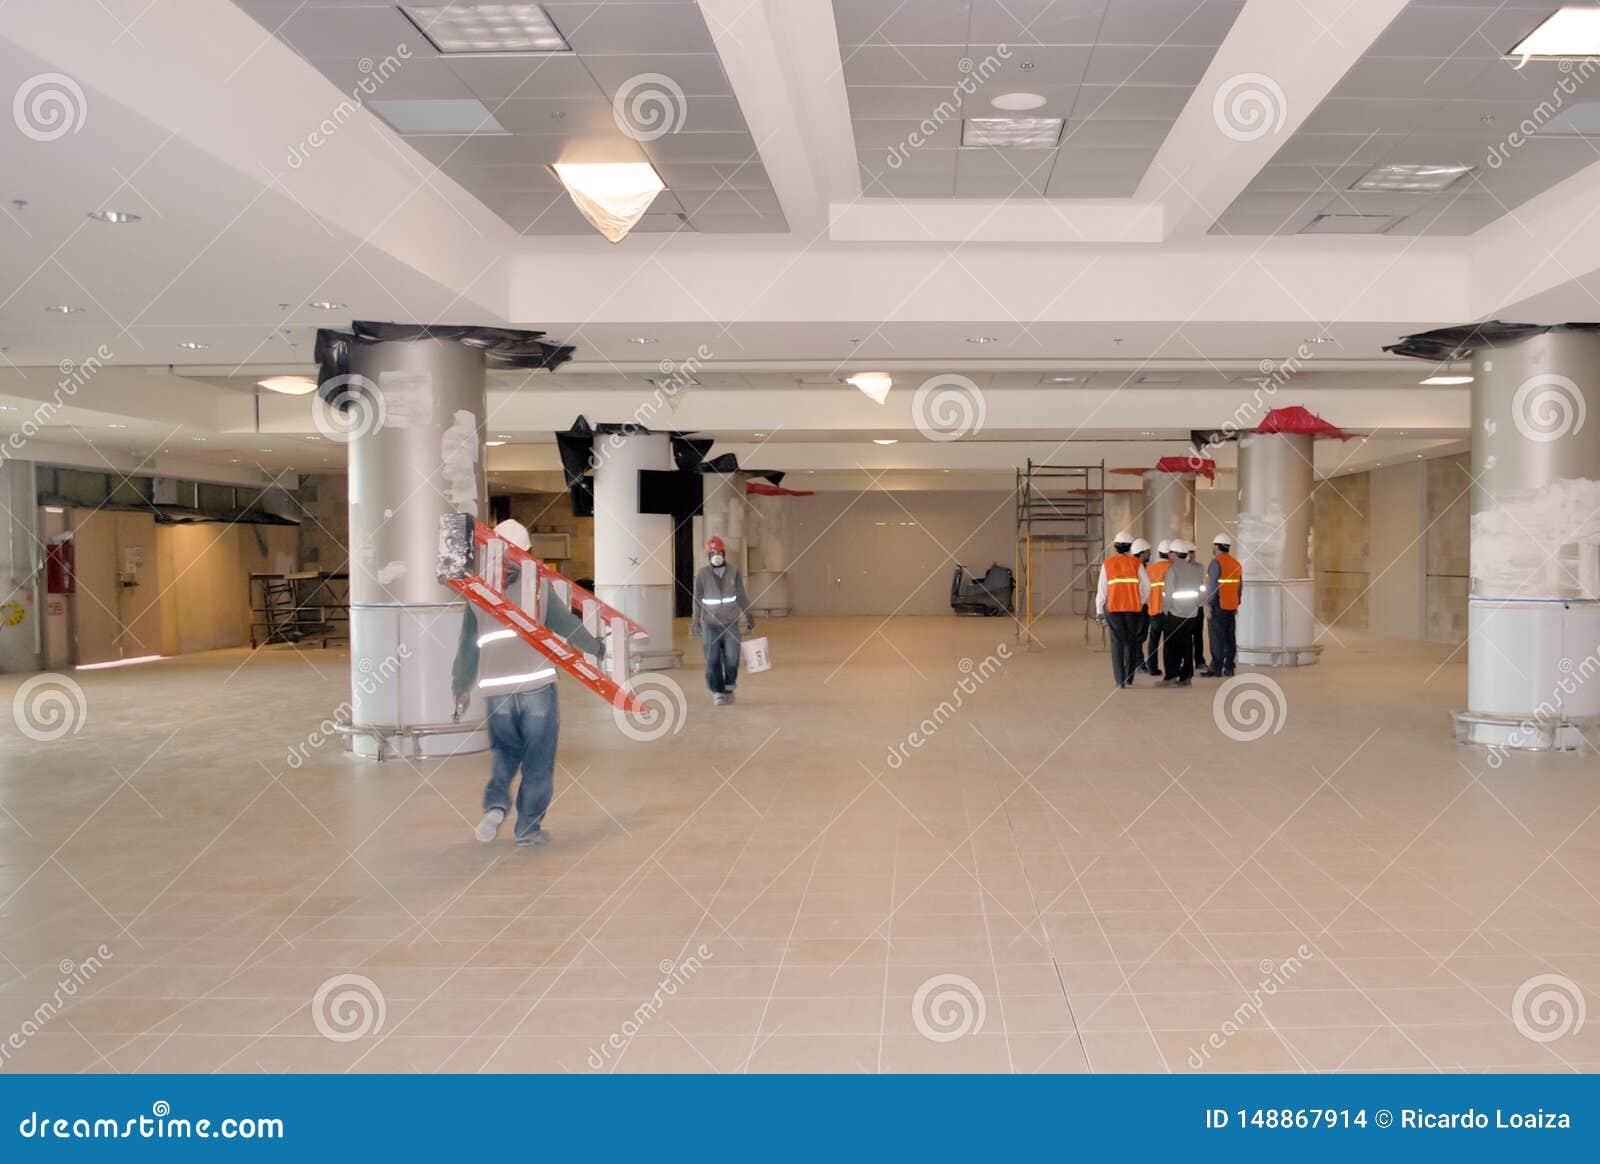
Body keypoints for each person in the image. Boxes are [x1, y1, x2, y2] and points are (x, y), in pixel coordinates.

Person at [452, 519, 598, 847]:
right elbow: (567, 624)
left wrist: (459, 685)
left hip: (497, 692)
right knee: (538, 761)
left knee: (505, 753)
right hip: (536, 688)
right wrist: (596, 647)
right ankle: (528, 830)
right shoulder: (538, 587)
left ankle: (496, 805)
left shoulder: (477, 593)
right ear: (527, 551)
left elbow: (466, 646)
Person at [690, 535, 755, 706]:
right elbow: (697, 599)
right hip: (710, 625)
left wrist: (749, 616)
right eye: (713, 553)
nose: (716, 555)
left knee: (732, 659)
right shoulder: (702, 574)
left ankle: (729, 687)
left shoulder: (734, 571)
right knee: (712, 661)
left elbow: (741, 595)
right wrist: (695, 621)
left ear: (724, 553)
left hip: (731, 624)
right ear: (708, 556)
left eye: (719, 552)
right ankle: (717, 692)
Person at [1094, 530, 1150, 690]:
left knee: (1117, 643)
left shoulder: (1108, 564)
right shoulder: (1136, 563)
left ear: (1115, 547)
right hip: (1132, 610)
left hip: (1113, 609)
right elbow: (1147, 586)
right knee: (1131, 642)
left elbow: (1102, 590)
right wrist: (1141, 601)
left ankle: (1120, 681)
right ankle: (1129, 677)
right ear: (1130, 546)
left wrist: (1099, 610)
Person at [1160, 539, 1205, 687]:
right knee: (1187, 645)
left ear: (1175, 554)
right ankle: (1186, 677)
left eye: (1170, 552)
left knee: (1171, 646)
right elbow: (1200, 590)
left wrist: (1166, 608)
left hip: (1175, 613)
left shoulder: (1172, 570)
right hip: (1191, 613)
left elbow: (1168, 593)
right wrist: (1197, 605)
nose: (1169, 555)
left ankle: (1171, 676)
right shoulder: (1195, 569)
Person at [1202, 532, 1242, 678]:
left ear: (1217, 546)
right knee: (1230, 637)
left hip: (1218, 605)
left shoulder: (1216, 562)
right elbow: (1239, 587)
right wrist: (1237, 603)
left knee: (1217, 637)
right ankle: (1229, 667)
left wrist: (1209, 606)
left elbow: (1212, 586)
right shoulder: (1236, 563)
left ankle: (1216, 668)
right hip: (1231, 606)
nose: (1213, 548)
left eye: (1214, 546)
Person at [1144, 539, 1171, 677]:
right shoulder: (1173, 568)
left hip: (1154, 610)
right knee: (1169, 642)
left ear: (1159, 553)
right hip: (1169, 612)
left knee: (1153, 641)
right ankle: (1170, 670)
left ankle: (1152, 668)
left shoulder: (1150, 569)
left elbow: (1144, 590)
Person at [1129, 538, 1153, 673]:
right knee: (1137, 636)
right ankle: (1138, 663)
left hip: (1139, 605)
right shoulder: (1136, 566)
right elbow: (1145, 587)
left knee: (1140, 636)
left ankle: (1136, 662)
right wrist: (1143, 602)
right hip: (1138, 606)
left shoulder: (1143, 566)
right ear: (1142, 553)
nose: (1150, 553)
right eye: (1148, 551)